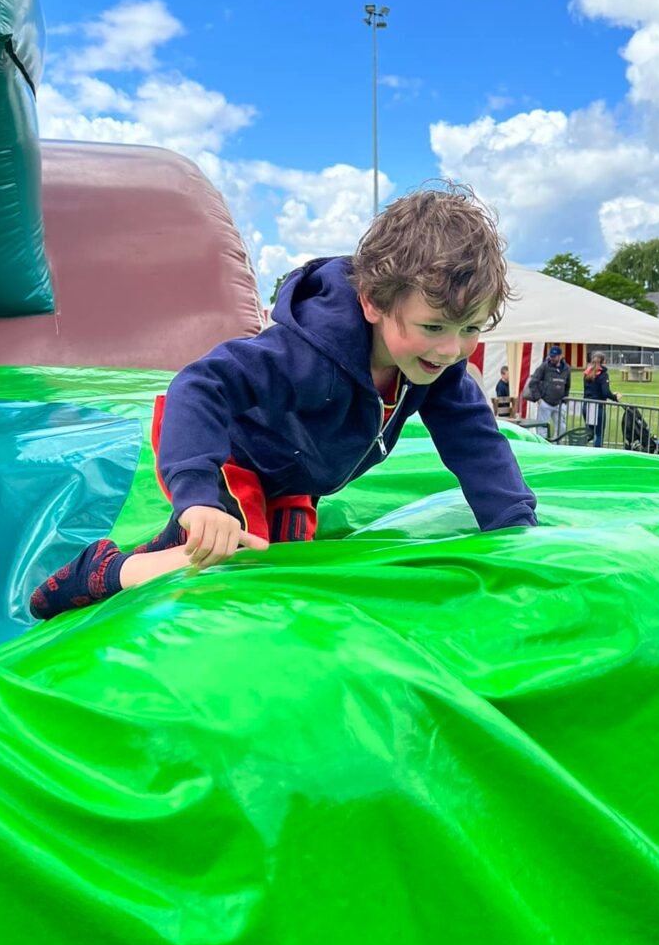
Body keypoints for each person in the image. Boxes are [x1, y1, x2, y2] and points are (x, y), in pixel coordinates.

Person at [29, 185, 539, 620]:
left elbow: (475, 442)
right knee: (228, 561)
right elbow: (200, 386)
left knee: (288, 569)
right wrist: (198, 496)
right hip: (232, 457)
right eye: (433, 326)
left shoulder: (436, 369)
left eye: (470, 328)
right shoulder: (307, 354)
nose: (451, 349)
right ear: (373, 303)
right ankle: (102, 571)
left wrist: (514, 526)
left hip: (295, 480)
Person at [524, 345, 571, 439]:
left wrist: (564, 399)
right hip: (545, 402)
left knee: (561, 428)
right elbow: (533, 382)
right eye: (551, 356)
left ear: (560, 356)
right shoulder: (544, 366)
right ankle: (542, 445)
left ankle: (557, 444)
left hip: (559, 403)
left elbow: (567, 385)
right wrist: (538, 398)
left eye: (554, 356)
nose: (552, 358)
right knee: (542, 428)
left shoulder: (566, 368)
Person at [583, 352, 621, 447]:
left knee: (590, 432)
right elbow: (605, 392)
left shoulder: (587, 373)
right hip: (597, 406)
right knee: (599, 434)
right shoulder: (603, 375)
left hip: (587, 405)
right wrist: (615, 397)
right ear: (604, 361)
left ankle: (579, 446)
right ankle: (596, 452)